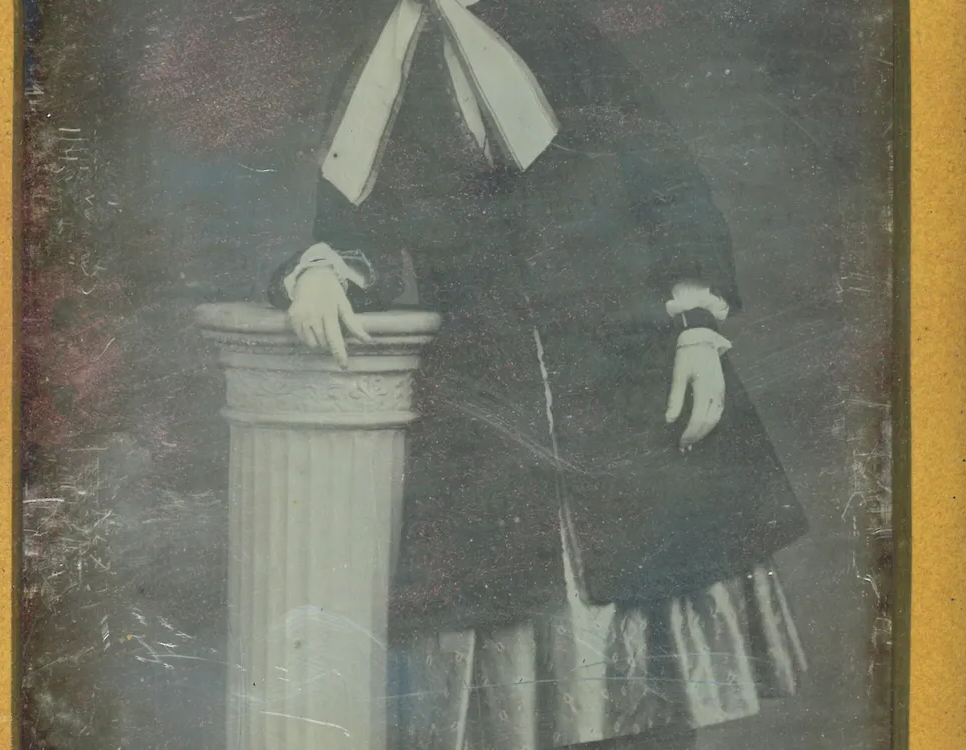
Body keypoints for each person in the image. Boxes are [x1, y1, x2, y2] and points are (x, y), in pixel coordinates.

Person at [268, 0, 809, 747]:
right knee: (517, 691)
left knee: (651, 683)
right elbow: (353, 227)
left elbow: (670, 185)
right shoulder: (381, 66)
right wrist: (322, 271)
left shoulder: (559, 31)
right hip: (489, 415)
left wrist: (696, 331)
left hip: (626, 385)